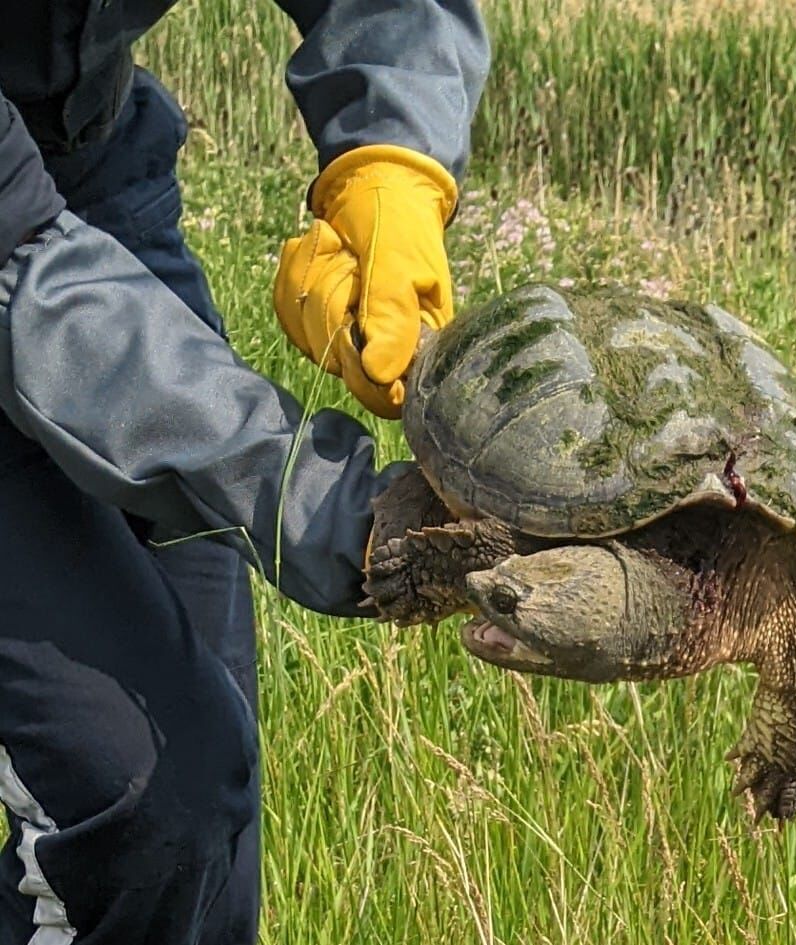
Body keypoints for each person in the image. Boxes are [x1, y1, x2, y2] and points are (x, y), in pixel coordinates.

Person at [0, 2, 489, 942]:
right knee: (137, 791)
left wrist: (391, 156)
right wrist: (319, 499)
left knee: (210, 800)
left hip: (97, 176)